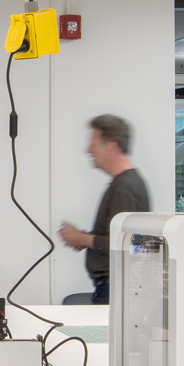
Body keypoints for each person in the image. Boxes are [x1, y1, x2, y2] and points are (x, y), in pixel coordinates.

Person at [58, 114, 150, 304]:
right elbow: (119, 237)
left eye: (93, 144)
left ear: (111, 147)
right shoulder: (126, 183)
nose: (88, 150)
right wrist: (85, 238)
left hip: (115, 289)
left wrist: (82, 238)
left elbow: (125, 243)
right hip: (116, 287)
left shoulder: (124, 187)